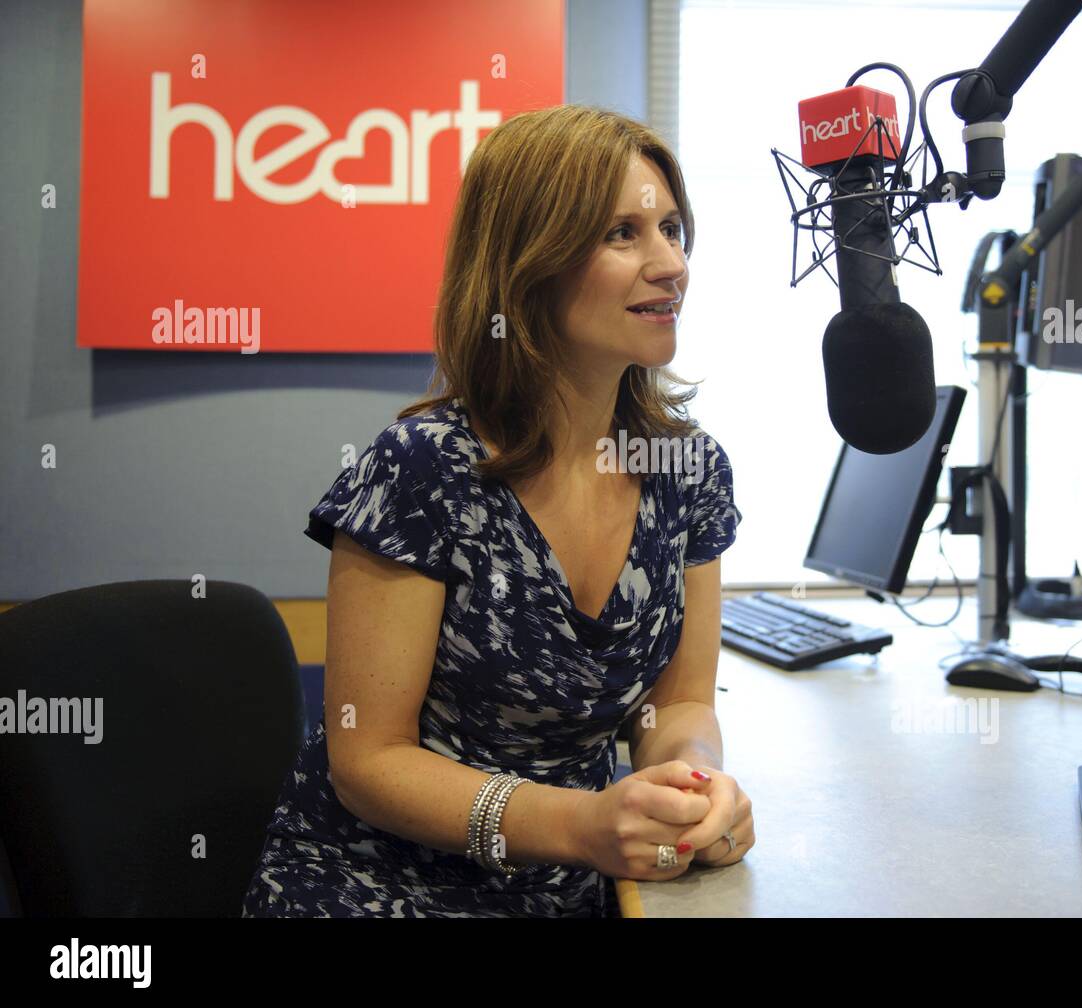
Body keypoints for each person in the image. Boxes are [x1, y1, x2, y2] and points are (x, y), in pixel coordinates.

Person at [241, 104, 752, 918]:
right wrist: (583, 823)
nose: (670, 265)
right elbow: (369, 760)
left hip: (574, 883)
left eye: (673, 230)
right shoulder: (422, 468)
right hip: (381, 886)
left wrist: (692, 785)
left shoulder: (687, 471)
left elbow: (682, 702)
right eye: (623, 233)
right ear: (528, 263)